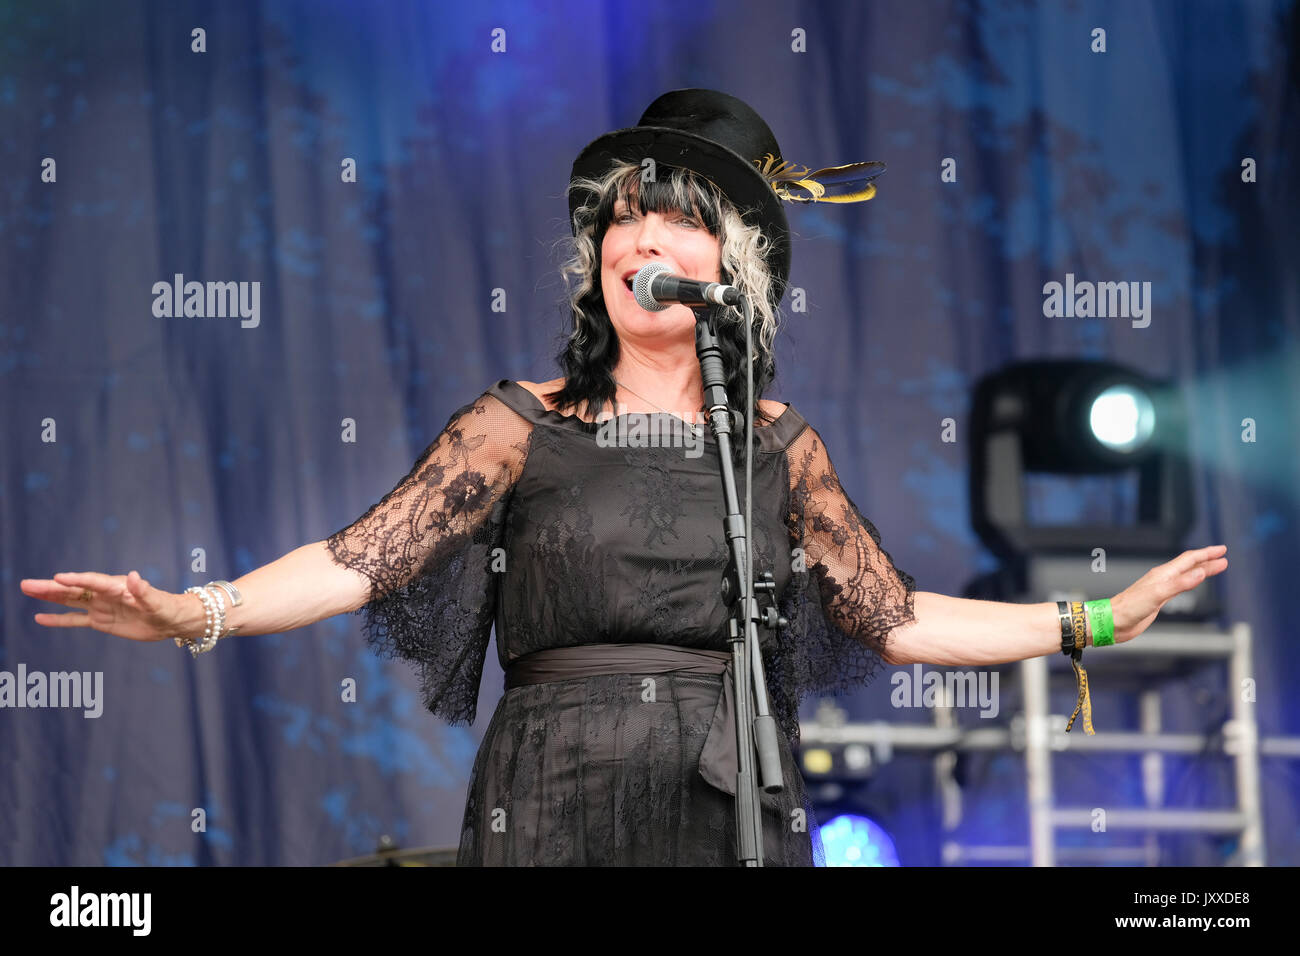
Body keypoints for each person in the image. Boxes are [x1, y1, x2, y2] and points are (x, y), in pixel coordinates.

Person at [20, 89, 1229, 867]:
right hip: (549, 795)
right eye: (622, 220)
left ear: (735, 270)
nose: (638, 241)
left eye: (676, 222)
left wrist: (1094, 617)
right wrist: (200, 609)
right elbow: (356, 558)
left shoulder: (776, 446)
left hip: (730, 798)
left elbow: (897, 619)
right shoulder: (519, 423)